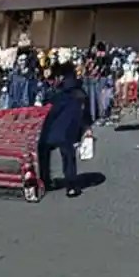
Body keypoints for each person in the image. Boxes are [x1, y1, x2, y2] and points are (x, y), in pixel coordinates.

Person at [37, 62, 94, 198]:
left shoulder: (57, 93)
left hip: (51, 129)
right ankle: (71, 185)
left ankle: (45, 180)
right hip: (70, 131)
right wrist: (87, 128)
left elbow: (47, 108)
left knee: (43, 150)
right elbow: (86, 114)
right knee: (68, 156)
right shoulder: (80, 93)